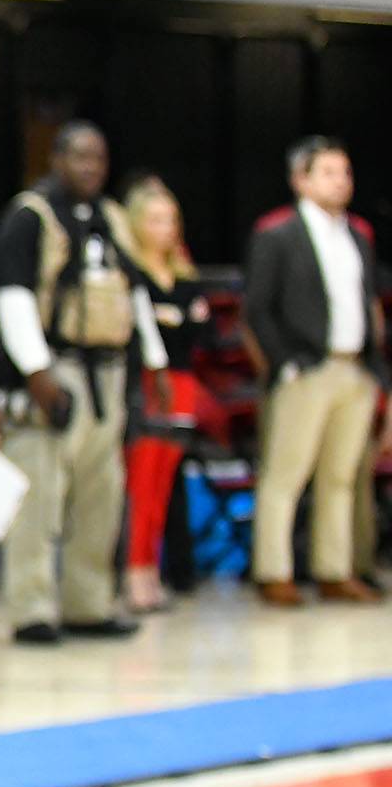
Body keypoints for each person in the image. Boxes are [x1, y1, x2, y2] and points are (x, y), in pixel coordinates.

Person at [0, 120, 170, 644]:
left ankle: (88, 603)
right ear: (57, 159)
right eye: (79, 158)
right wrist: (36, 372)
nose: (90, 168)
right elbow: (13, 295)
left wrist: (153, 361)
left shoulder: (111, 219)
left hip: (108, 371)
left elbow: (133, 291)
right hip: (56, 368)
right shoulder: (30, 217)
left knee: (102, 492)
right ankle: (32, 609)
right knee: (41, 494)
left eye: (99, 159)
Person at [243, 137, 389, 606]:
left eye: (344, 172)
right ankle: (274, 570)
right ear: (299, 179)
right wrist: (284, 363)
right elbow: (257, 309)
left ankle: (333, 568)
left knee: (341, 476)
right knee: (285, 474)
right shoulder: (277, 234)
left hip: (353, 368)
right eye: (327, 172)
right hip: (306, 368)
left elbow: (368, 304)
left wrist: (375, 367)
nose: (340, 181)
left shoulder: (358, 235)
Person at [119, 178, 211, 613]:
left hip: (183, 385)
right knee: (140, 484)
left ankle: (151, 569)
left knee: (164, 487)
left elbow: (199, 327)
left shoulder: (182, 272)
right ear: (137, 224)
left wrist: (176, 317)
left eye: (171, 220)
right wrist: (174, 317)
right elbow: (146, 327)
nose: (166, 228)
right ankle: (133, 570)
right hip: (150, 383)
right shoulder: (132, 273)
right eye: (155, 220)